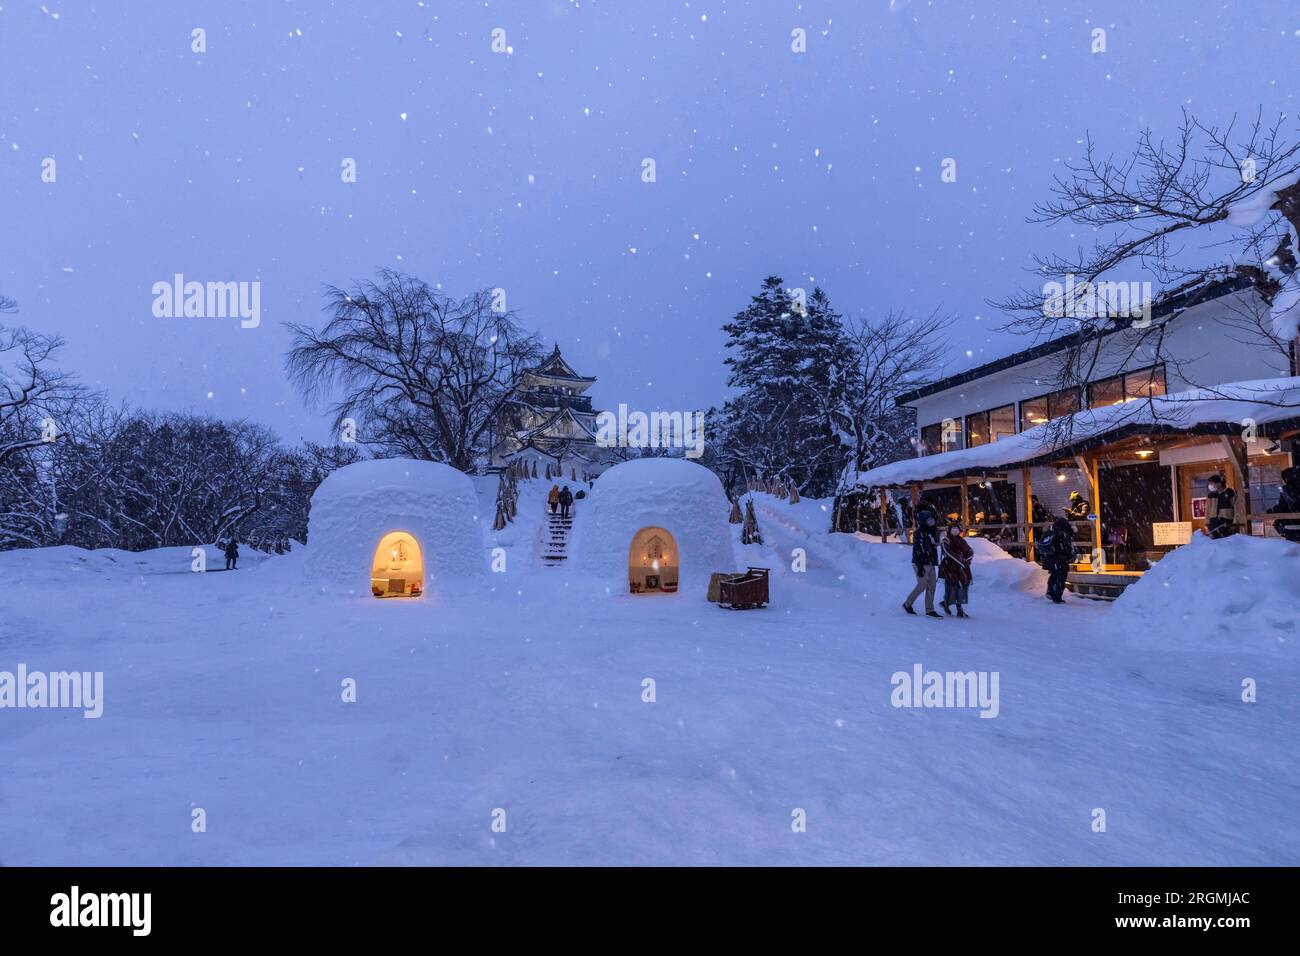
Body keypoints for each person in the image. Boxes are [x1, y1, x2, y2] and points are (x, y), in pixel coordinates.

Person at [903, 504, 943, 618]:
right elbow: (918, 550)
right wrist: (920, 567)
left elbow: (933, 547)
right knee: (922, 584)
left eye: (932, 520)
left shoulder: (932, 532)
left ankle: (929, 609)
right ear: (923, 521)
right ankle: (907, 604)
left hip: (930, 562)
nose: (931, 522)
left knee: (932, 586)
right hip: (920, 563)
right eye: (929, 520)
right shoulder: (919, 533)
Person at [939, 522, 974, 618]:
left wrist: (965, 561)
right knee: (952, 586)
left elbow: (970, 551)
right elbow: (947, 552)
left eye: (957, 528)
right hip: (949, 567)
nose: (955, 530)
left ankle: (957, 607)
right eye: (953, 528)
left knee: (962, 586)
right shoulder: (946, 540)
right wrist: (960, 561)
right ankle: (948, 603)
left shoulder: (961, 541)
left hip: (961, 568)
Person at [1039, 516, 1073, 604]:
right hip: (1060, 559)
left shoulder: (1052, 531)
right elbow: (1066, 547)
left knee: (1054, 575)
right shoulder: (1064, 533)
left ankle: (1050, 591)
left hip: (1050, 558)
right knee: (1061, 578)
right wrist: (1070, 556)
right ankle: (1057, 597)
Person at [1269, 466, 1300, 542]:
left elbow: (1282, 507)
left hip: (1293, 527)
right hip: (1294, 526)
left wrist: (1272, 511)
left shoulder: (1287, 490)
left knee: (1293, 550)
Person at [1204, 473, 1237, 539]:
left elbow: (1236, 508)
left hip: (1227, 522)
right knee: (1216, 544)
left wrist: (1235, 522)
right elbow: (1207, 510)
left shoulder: (1231, 492)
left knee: (1227, 542)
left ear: (1218, 483)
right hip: (1213, 522)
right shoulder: (1211, 495)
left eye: (1211, 483)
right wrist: (1207, 523)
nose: (1210, 485)